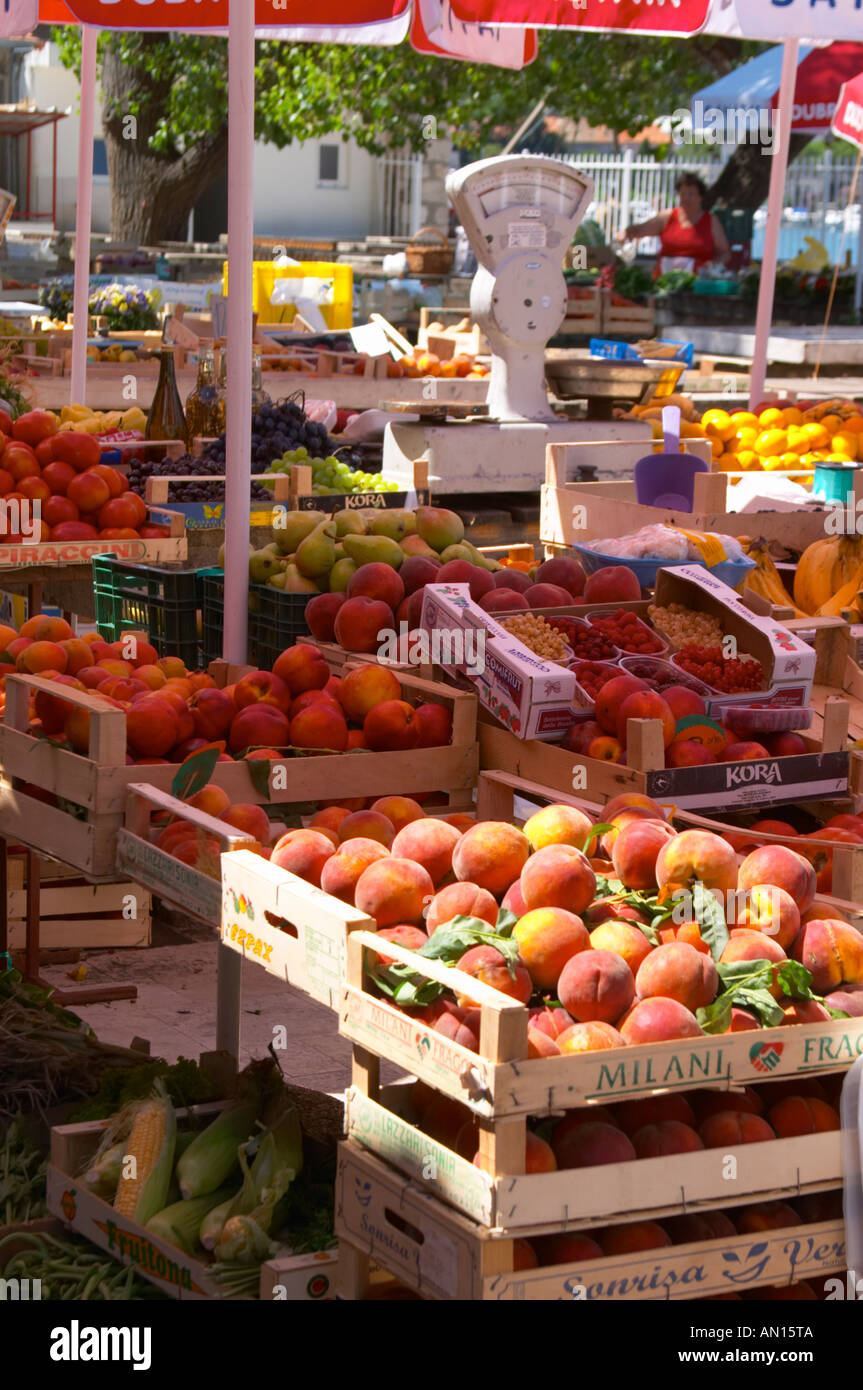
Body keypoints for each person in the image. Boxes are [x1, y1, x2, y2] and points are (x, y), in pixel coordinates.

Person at [617, 173, 731, 277]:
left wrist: (713, 264)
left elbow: (725, 253)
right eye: (683, 194)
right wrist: (627, 232)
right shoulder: (667, 217)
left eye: (691, 194)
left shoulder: (711, 221)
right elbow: (641, 229)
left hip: (698, 281)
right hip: (665, 279)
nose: (686, 198)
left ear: (700, 197)